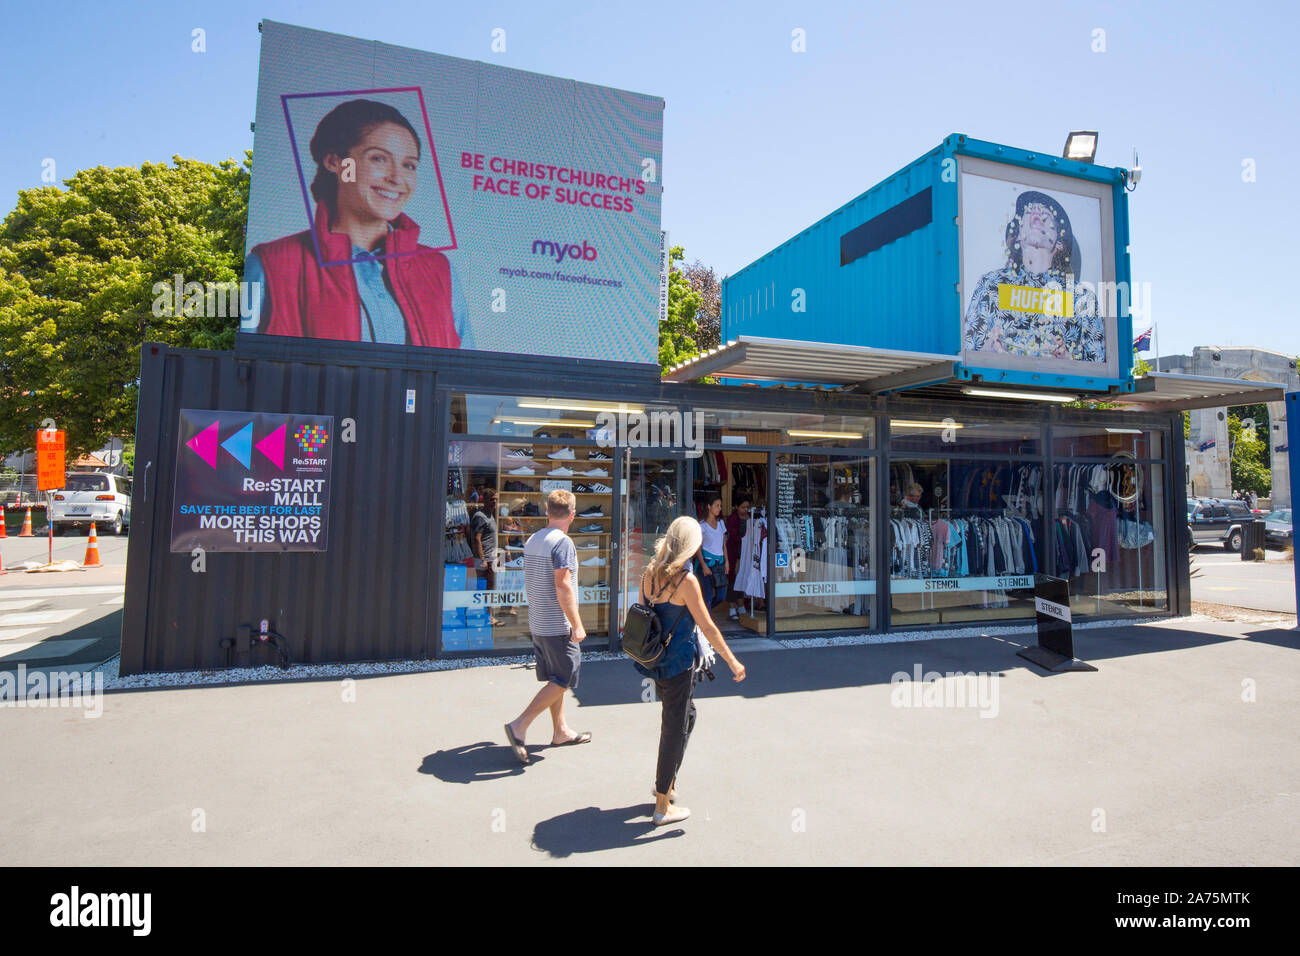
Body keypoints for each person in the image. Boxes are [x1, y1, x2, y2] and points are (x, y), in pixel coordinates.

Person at [247, 98, 466, 347]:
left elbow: (463, 379)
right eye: (378, 159)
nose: (397, 177)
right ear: (335, 163)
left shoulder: (439, 270)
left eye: (408, 165)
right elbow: (246, 371)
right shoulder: (271, 265)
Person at [635, 516, 745, 826]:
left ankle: (666, 783)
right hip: (679, 664)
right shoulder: (686, 580)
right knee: (674, 728)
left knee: (686, 717)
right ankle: (662, 804)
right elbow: (708, 626)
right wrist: (732, 660)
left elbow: (644, 614)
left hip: (655, 660)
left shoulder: (648, 574)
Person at [963, 190, 1102, 362]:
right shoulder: (992, 284)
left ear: (1059, 242)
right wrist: (989, 348)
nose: (1036, 212)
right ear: (1018, 236)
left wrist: (1068, 359)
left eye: (1046, 215)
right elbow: (966, 351)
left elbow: (1099, 360)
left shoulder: (1082, 297)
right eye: (1028, 211)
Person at [504, 489, 589, 764]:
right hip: (557, 624)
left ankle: (560, 731)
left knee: (556, 678)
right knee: (565, 678)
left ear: (547, 512)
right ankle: (520, 724)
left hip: (539, 622)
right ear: (573, 515)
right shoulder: (562, 543)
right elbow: (563, 585)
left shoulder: (533, 539)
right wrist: (576, 625)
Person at [468, 489, 502, 625]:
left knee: (490, 587)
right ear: (484, 500)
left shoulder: (490, 515)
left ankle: (487, 615)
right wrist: (482, 559)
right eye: (491, 499)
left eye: (496, 499)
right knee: (484, 588)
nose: (494, 501)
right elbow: (476, 538)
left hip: (492, 558)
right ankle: (486, 616)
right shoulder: (480, 516)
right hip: (485, 559)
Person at [696, 495, 729, 611]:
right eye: (717, 506)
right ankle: (706, 623)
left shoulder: (721, 523)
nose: (719, 508)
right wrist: (704, 566)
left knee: (721, 596)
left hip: (719, 564)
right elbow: (697, 548)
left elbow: (723, 545)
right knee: (708, 597)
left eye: (720, 506)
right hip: (706, 563)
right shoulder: (701, 525)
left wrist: (727, 562)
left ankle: (703, 614)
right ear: (709, 507)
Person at [724, 495, 751, 621]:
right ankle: (732, 607)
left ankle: (740, 604)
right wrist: (744, 539)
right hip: (734, 553)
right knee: (732, 579)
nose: (745, 509)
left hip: (745, 553)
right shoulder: (733, 518)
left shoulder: (750, 517)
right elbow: (733, 536)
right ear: (736, 507)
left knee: (743, 576)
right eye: (743, 507)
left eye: (747, 507)